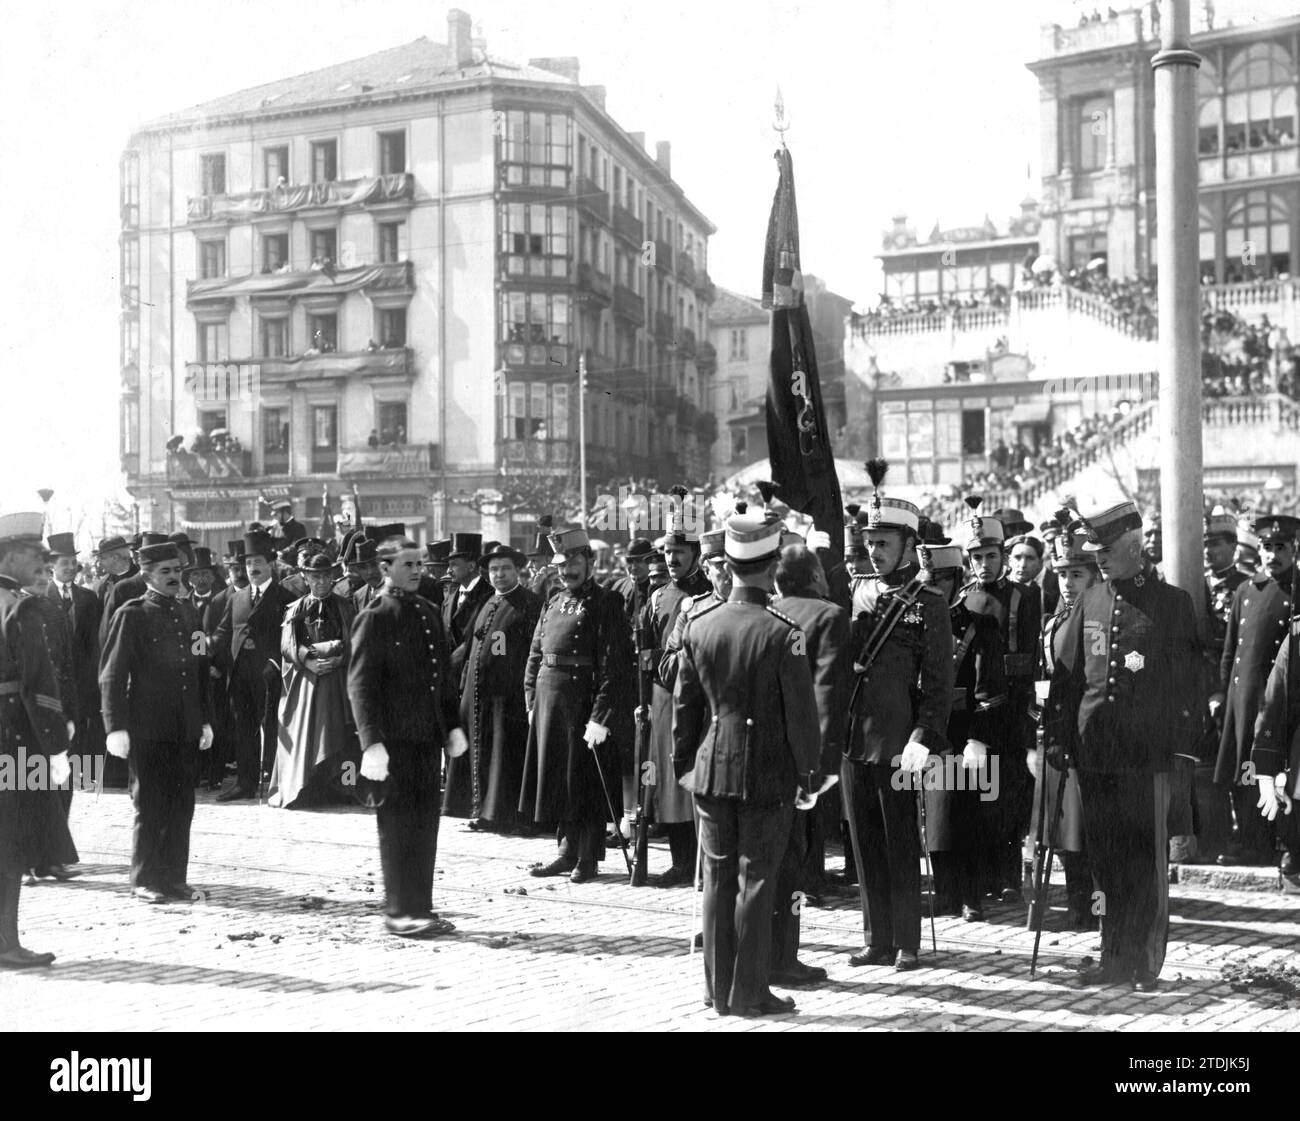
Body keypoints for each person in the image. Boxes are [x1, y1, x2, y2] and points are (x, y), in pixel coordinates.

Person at [672, 508, 821, 1016]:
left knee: (716, 879)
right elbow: (802, 716)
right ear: (772, 564)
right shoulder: (784, 631)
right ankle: (749, 992)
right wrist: (808, 775)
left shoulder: (699, 624)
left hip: (712, 765)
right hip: (767, 769)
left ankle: (717, 991)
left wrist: (683, 768)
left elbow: (685, 710)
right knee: (756, 879)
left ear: (729, 563)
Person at [1047, 500, 1199, 992]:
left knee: (1144, 858)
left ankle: (1144, 959)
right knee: (1106, 858)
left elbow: (1189, 685)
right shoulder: (1089, 600)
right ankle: (1113, 954)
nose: (1099, 558)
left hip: (1146, 754)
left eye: (1106, 550)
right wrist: (1059, 738)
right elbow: (1068, 679)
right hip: (1096, 752)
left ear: (1134, 547)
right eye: (1095, 551)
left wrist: (1181, 749)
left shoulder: (1172, 604)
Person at [843, 462, 953, 971]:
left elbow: (938, 679)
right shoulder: (858, 590)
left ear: (910, 546)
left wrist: (923, 736)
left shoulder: (928, 602)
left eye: (884, 541)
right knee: (865, 841)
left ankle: (907, 939)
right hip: (854, 737)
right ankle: (877, 937)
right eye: (870, 541)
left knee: (900, 840)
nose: (874, 550)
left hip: (899, 742)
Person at [348, 537, 468, 938]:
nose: (418, 570)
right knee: (398, 828)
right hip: (394, 742)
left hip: (425, 739)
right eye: (408, 564)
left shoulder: (429, 610)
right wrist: (371, 743)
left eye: (419, 563)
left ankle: (420, 908)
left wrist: (451, 726)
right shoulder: (375, 616)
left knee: (424, 826)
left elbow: (443, 679)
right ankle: (400, 912)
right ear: (384, 569)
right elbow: (361, 685)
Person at [100, 538, 214, 903]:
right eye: (165, 572)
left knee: (182, 805)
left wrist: (206, 720)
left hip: (184, 728)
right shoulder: (131, 614)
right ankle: (144, 879)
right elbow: (112, 674)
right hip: (147, 728)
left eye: (177, 571)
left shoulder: (189, 614)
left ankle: (173, 878)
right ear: (146, 574)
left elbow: (199, 668)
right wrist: (115, 726)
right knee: (149, 804)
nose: (174, 578)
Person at [521, 527, 632, 882]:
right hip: (549, 702)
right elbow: (536, 653)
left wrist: (601, 717)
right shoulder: (552, 601)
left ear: (589, 561)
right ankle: (565, 852)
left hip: (583, 705)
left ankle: (588, 857)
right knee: (559, 779)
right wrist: (530, 698)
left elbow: (614, 666)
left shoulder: (606, 603)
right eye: (561, 563)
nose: (566, 570)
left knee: (586, 783)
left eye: (573, 561)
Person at [0, 512, 77, 967]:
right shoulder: (20, 606)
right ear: (9, 553)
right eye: (35, 554)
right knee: (10, 841)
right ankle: (6, 944)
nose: (42, 562)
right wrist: (56, 749)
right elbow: (38, 685)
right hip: (13, 741)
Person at [957, 498, 1040, 902]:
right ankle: (985, 877)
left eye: (991, 555)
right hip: (975, 714)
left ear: (1002, 556)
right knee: (978, 798)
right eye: (977, 557)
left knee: (1009, 798)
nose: (984, 564)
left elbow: (1030, 661)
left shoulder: (1023, 599)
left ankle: (1008, 876)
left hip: (1010, 710)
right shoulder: (962, 599)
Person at [1212, 514, 1297, 866]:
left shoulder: (1296, 589)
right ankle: (1249, 840)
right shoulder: (1246, 591)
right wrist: (1219, 695)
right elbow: (1230, 650)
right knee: (1241, 769)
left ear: (1293, 549)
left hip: (1278, 698)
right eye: (1266, 547)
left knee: (1270, 766)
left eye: (1281, 547)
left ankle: (1273, 842)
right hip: (1241, 698)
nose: (1272, 555)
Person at [442, 543, 541, 832]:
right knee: (480, 753)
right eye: (495, 569)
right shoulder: (488, 602)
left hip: (507, 697)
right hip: (477, 694)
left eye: (506, 569)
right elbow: (471, 643)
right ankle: (483, 811)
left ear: (517, 571)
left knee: (504, 755)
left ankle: (507, 815)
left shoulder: (530, 604)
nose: (499, 575)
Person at [1028, 517, 1096, 930]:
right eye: (1063, 575)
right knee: (1062, 828)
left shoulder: (1097, 621)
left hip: (1084, 734)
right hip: (1054, 733)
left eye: (1077, 574)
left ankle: (1091, 906)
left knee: (1085, 827)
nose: (1068, 583)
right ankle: (1075, 903)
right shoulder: (1053, 620)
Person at [642, 491, 710, 885]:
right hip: (665, 699)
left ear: (697, 553)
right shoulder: (656, 598)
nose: (672, 558)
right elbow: (646, 655)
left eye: (680, 551)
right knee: (669, 783)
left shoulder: (709, 593)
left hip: (702, 698)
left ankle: (705, 860)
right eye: (667, 551)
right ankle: (682, 858)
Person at [269, 552, 358, 808]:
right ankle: (305, 788)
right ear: (306, 578)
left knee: (342, 733)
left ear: (332, 577)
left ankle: (345, 788)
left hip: (337, 681)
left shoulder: (345, 607)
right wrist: (307, 659)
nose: (320, 582)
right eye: (315, 577)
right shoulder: (295, 609)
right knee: (305, 734)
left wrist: (339, 661)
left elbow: (355, 642)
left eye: (325, 576)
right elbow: (287, 645)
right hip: (307, 681)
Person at [213, 530, 294, 802]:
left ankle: (275, 782)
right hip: (239, 675)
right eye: (248, 564)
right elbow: (222, 632)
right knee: (243, 729)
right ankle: (245, 784)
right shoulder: (236, 598)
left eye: (258, 562)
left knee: (272, 727)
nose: (252, 568)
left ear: (270, 564)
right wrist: (199, 652)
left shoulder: (285, 596)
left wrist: (275, 662)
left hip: (269, 674)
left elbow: (291, 637)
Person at [442, 533, 492, 675]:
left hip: (474, 674)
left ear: (471, 566)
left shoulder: (489, 596)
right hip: (451, 678)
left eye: (454, 565)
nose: (448, 570)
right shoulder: (449, 599)